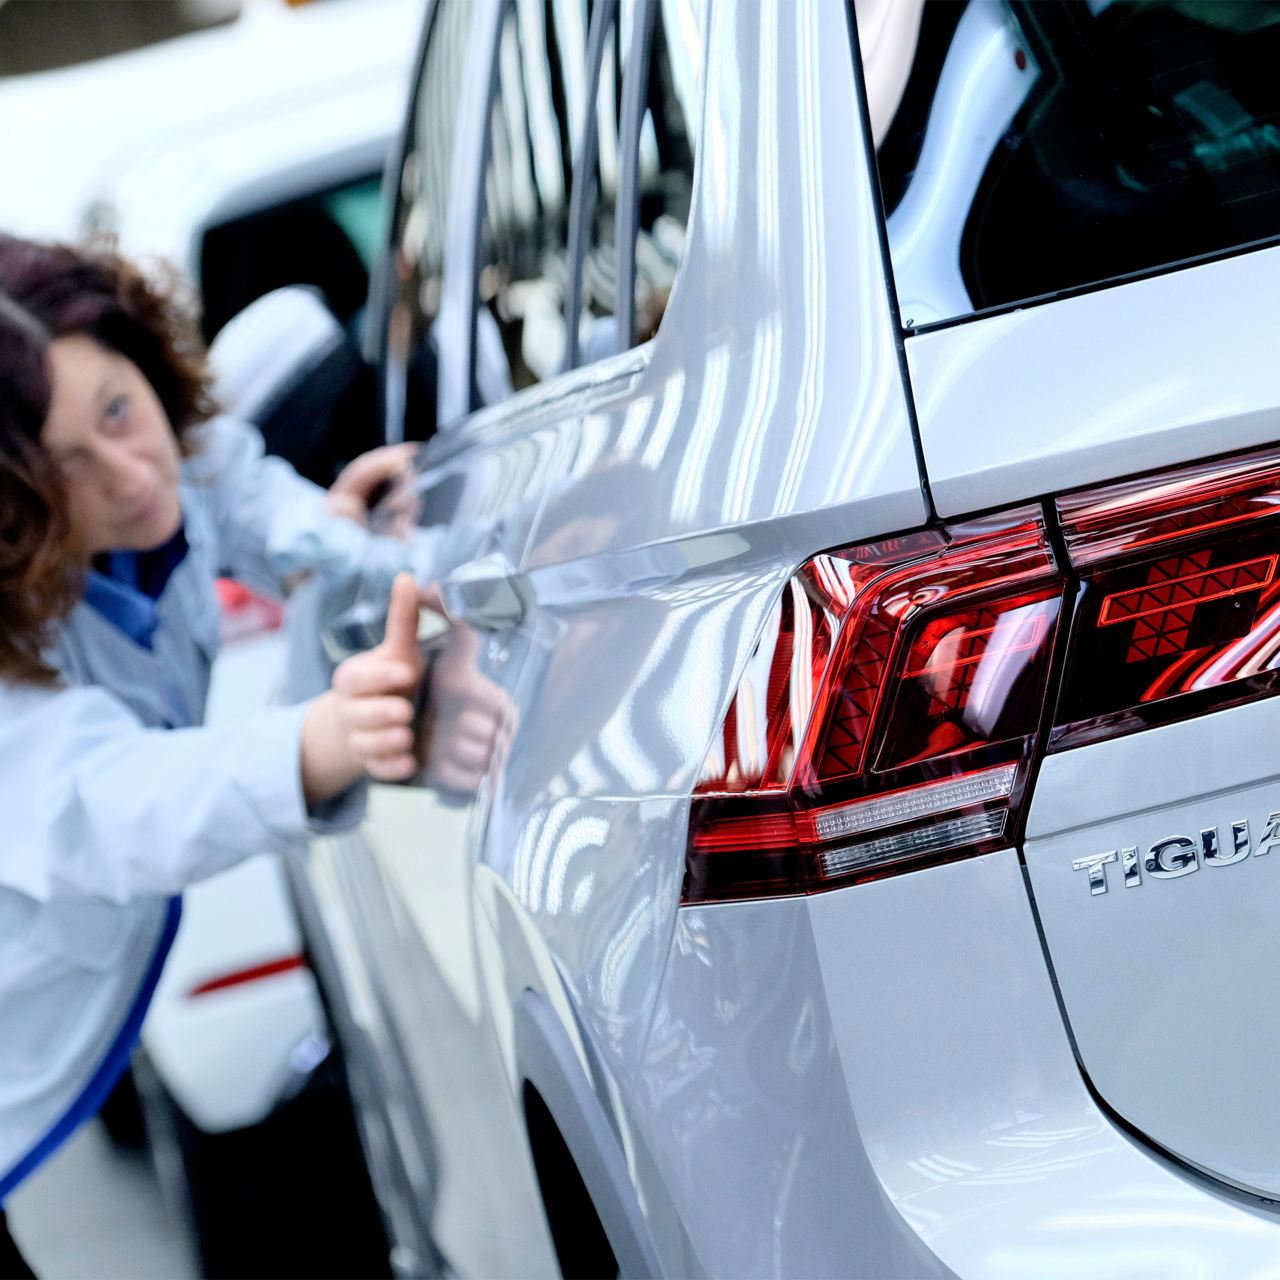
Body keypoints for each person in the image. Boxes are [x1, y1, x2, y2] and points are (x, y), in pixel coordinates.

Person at [0, 234, 477, 1276]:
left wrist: (401, 556)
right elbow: (112, 803)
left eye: (120, 410)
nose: (130, 473)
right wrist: (327, 736)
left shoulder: (180, 450)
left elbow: (264, 507)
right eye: (67, 463)